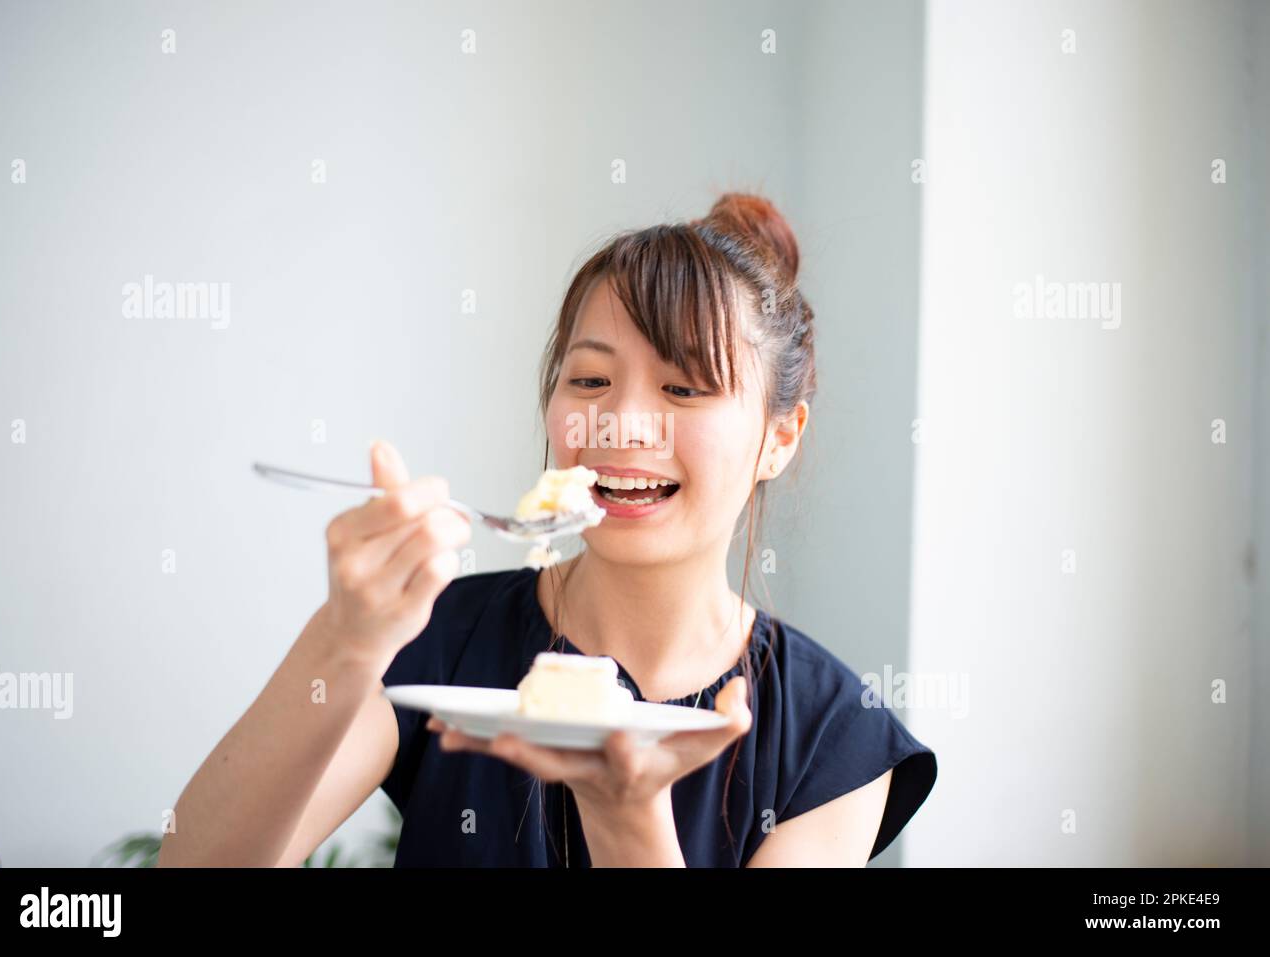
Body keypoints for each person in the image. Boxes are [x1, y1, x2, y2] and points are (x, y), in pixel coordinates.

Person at [159, 192, 936, 868]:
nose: (622, 423)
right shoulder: (440, 640)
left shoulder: (835, 735)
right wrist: (344, 637)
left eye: (684, 386)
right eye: (590, 379)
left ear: (781, 435)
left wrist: (626, 816)